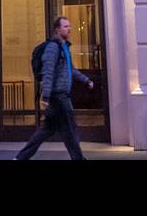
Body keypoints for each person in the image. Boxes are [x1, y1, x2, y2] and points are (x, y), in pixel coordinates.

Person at [15, 16, 94, 161]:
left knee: (46, 130)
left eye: (69, 26)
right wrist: (45, 96)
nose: (69, 29)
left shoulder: (64, 47)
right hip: (58, 97)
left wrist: (86, 80)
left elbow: (71, 69)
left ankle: (20, 158)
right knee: (70, 131)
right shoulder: (53, 47)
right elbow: (48, 72)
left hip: (60, 96)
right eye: (65, 26)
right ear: (57, 30)